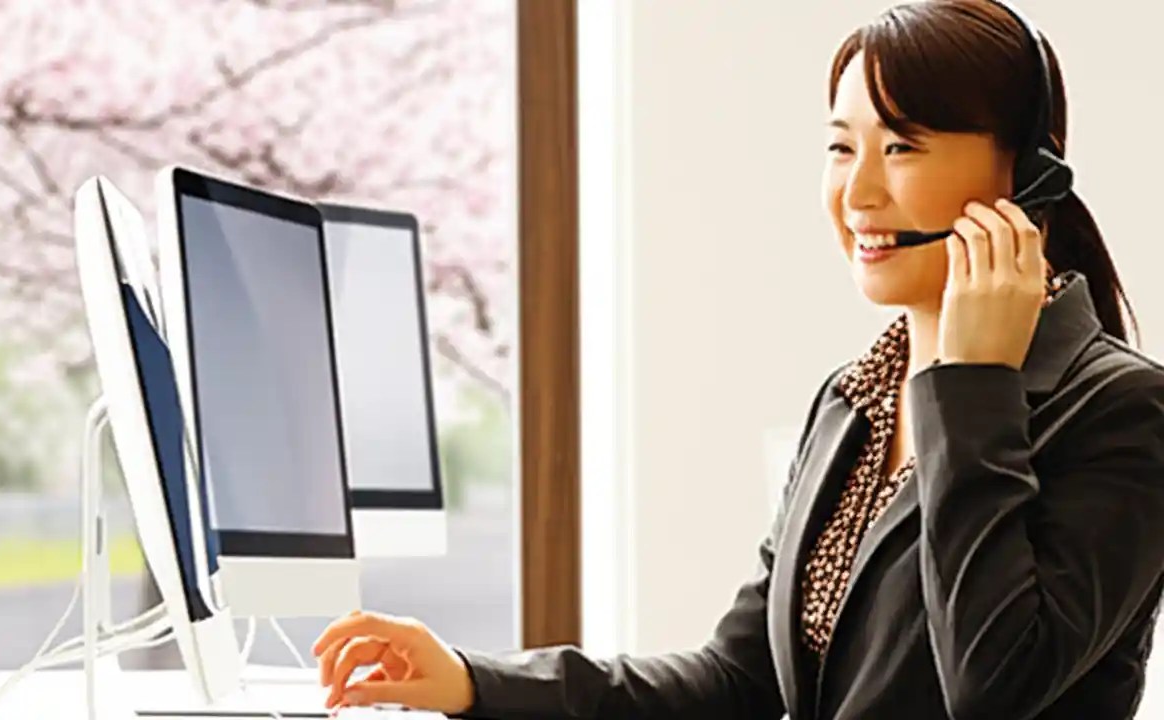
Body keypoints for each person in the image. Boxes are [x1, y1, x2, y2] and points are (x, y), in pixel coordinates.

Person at [310, 1, 1164, 717]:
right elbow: (739, 679)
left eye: (901, 147)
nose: (858, 193)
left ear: (1027, 176)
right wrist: (472, 680)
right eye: (840, 146)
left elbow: (997, 685)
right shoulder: (854, 401)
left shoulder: (1122, 410)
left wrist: (969, 390)